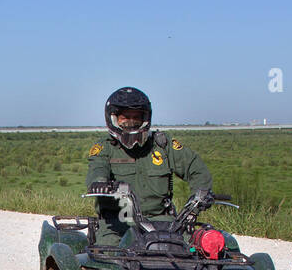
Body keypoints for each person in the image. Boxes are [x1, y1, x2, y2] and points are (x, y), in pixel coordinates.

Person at [85, 86, 213, 245]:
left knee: (198, 249)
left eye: (136, 116)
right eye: (125, 116)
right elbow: (97, 170)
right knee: (106, 255)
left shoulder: (162, 144)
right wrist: (100, 183)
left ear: (145, 117)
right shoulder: (104, 148)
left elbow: (195, 168)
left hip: (163, 220)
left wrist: (200, 195)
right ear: (113, 118)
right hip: (118, 223)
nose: (131, 121)